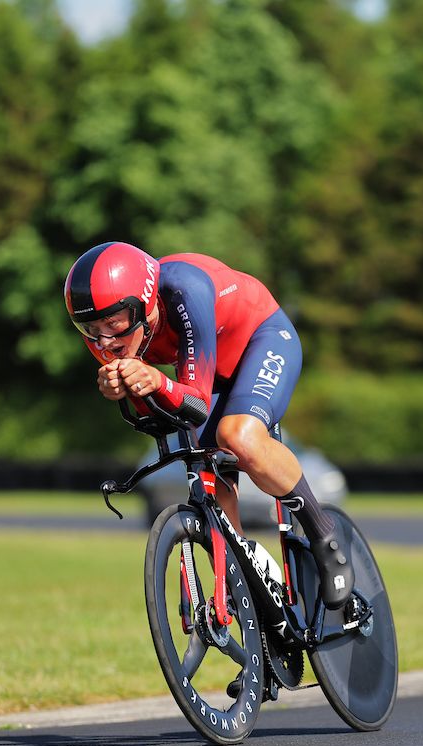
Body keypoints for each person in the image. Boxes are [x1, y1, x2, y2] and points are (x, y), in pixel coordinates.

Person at [64, 241, 353, 609]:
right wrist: (122, 388)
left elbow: (195, 403)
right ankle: (245, 581)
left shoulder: (186, 290)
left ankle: (324, 535)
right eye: (90, 327)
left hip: (260, 339)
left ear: (144, 303)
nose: (105, 339)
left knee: (237, 437)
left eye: (114, 323)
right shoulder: (105, 329)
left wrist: (154, 381)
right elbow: (154, 410)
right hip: (207, 372)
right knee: (204, 466)